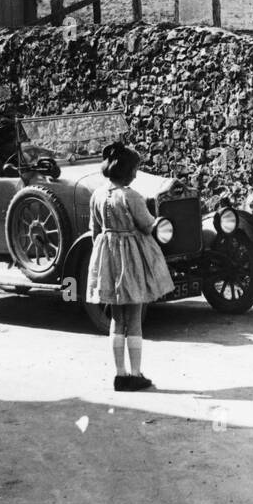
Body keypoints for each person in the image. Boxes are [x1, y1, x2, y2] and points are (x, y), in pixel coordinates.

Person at [87, 142, 175, 390]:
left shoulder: (97, 195)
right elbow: (148, 225)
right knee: (134, 317)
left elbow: (94, 232)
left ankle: (119, 374)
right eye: (135, 169)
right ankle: (136, 374)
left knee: (117, 319)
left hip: (108, 259)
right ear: (126, 171)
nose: (136, 174)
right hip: (131, 260)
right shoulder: (131, 196)